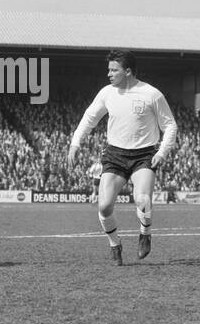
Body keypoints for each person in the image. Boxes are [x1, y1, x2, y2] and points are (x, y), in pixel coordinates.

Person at [68, 50, 177, 265]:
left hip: (144, 154)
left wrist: (162, 152)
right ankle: (115, 244)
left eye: (113, 70)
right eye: (108, 69)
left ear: (127, 71)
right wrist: (75, 143)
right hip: (115, 154)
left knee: (143, 199)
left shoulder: (151, 94)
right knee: (104, 206)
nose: (109, 74)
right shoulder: (107, 93)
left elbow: (170, 125)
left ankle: (145, 234)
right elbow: (89, 118)